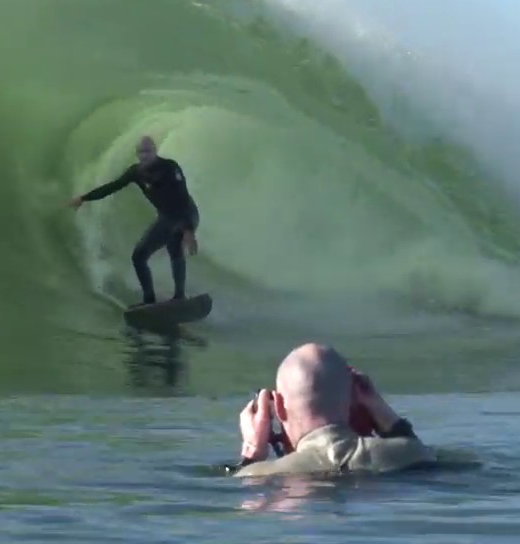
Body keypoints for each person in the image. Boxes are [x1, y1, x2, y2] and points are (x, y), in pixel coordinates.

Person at [228, 343, 436, 477]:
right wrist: (385, 414)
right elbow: (421, 457)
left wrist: (251, 453)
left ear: (280, 407)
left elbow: (248, 503)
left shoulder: (259, 476)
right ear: (355, 400)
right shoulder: (410, 454)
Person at [68, 135, 199, 305]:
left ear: (155, 151)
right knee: (139, 256)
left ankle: (179, 297)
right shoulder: (136, 172)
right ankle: (150, 301)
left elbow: (182, 197)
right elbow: (113, 186)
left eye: (148, 151)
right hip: (167, 217)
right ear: (137, 154)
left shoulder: (170, 167)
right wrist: (84, 198)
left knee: (174, 248)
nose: (145, 155)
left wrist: (188, 229)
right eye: (141, 152)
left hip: (186, 213)